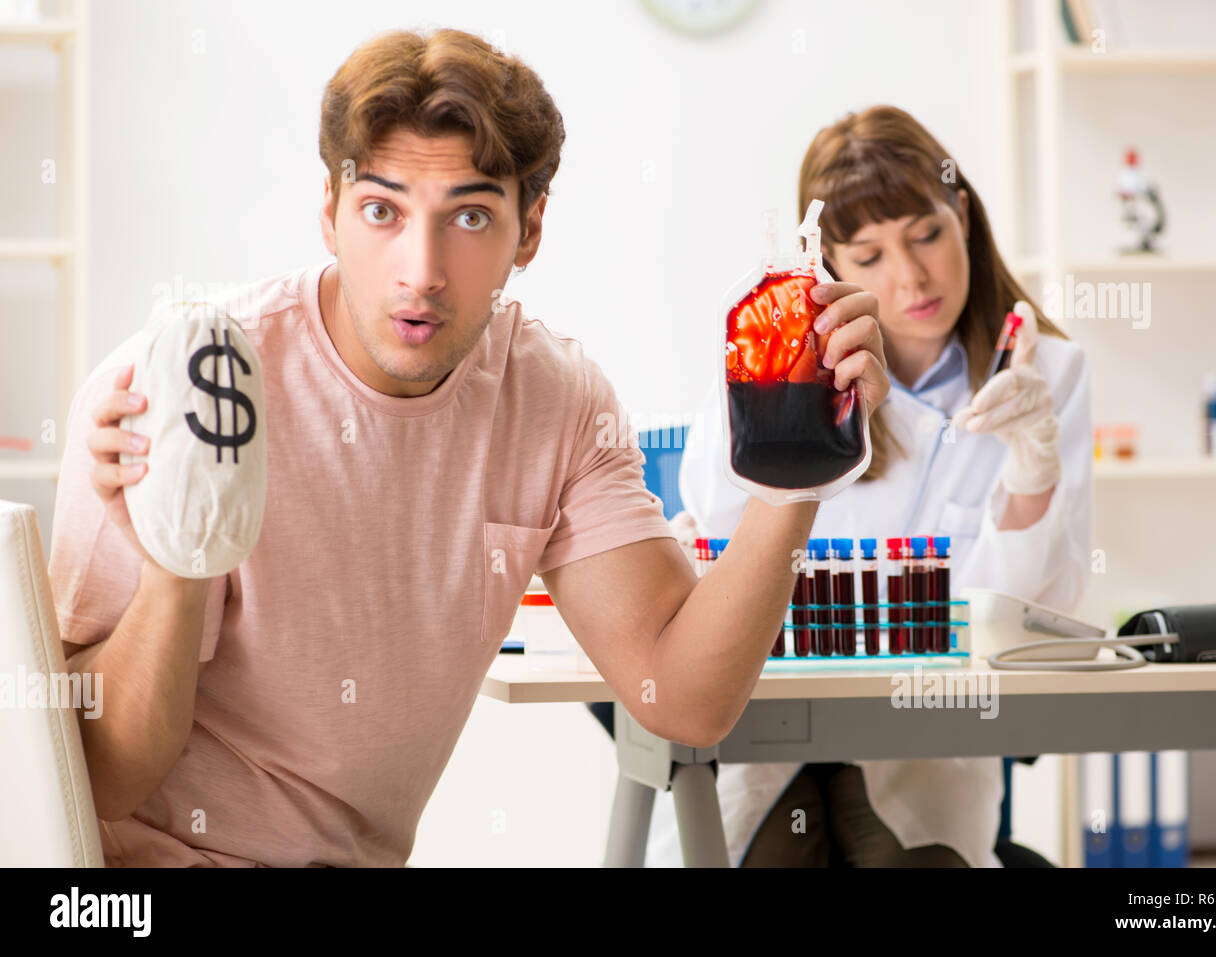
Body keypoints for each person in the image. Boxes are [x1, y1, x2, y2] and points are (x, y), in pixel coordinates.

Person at [47, 28, 890, 867]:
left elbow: (681, 697)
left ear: (529, 232)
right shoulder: (182, 388)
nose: (421, 270)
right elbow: (96, 782)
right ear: (330, 214)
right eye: (382, 210)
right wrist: (177, 559)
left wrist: (793, 478)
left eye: (471, 216)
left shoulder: (554, 400)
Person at [648, 105, 1092, 867]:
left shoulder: (1047, 373)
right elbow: (724, 559)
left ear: (962, 216)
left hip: (926, 743)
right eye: (870, 255)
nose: (912, 276)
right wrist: (789, 391)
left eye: (925, 234)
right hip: (772, 736)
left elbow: (1025, 623)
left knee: (905, 851)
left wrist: (1032, 475)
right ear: (829, 268)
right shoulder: (781, 349)